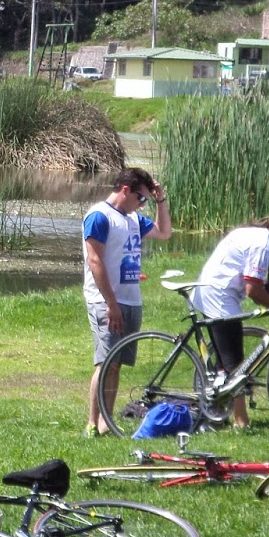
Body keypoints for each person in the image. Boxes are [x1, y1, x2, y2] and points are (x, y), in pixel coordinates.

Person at [189, 211, 269, 427]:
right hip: (219, 295)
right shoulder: (263, 245)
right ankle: (241, 421)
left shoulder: (261, 236)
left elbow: (258, 282)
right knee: (235, 366)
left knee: (226, 364)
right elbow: (253, 290)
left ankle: (218, 411)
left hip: (217, 290)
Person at [82, 167, 171, 436]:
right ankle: (91, 422)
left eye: (145, 200)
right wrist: (111, 304)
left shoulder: (133, 218)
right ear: (125, 190)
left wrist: (160, 200)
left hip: (131, 299)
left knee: (117, 363)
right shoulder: (100, 216)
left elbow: (164, 232)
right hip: (106, 301)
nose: (142, 203)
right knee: (105, 361)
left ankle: (106, 422)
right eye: (141, 198)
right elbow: (95, 260)